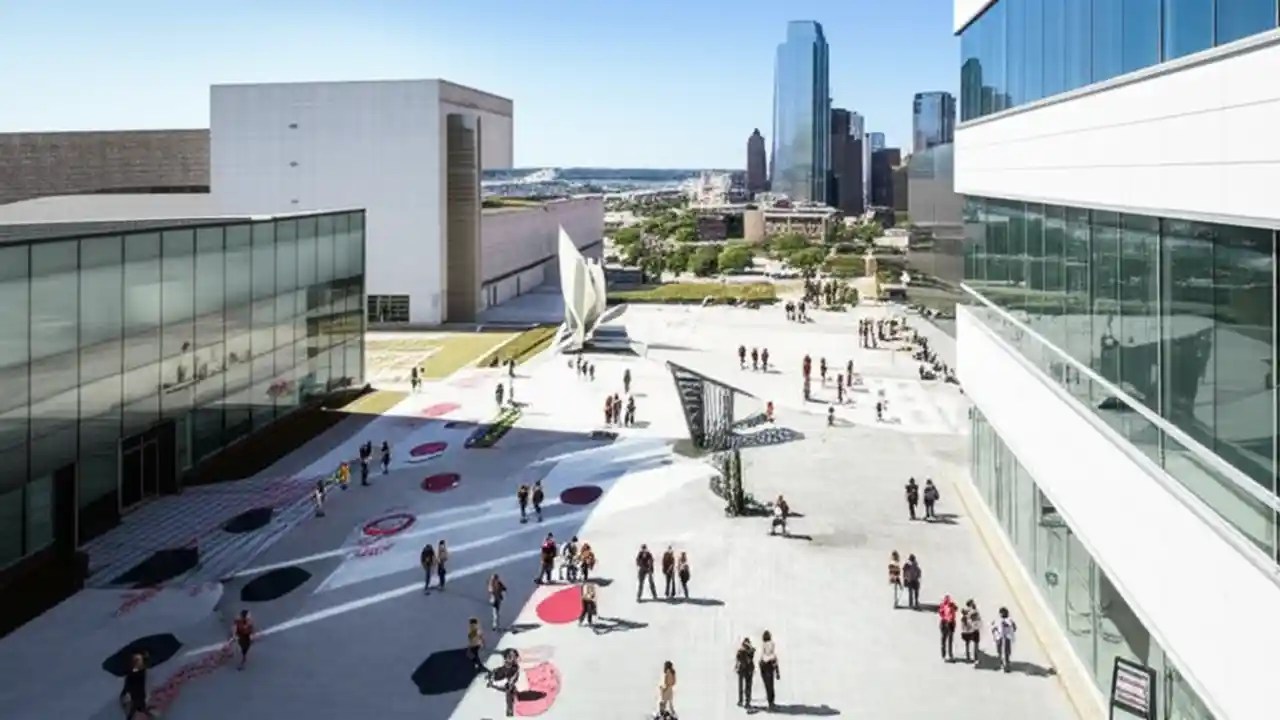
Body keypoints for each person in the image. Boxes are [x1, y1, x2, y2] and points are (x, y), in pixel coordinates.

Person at [120, 653, 152, 719]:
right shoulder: (138, 709)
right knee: (138, 675)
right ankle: (139, 658)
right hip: (137, 691)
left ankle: (136, 658)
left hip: (134, 690)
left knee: (135, 675)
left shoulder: (133, 711)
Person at [759, 631, 780, 711]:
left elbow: (762, 656)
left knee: (768, 686)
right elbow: (774, 657)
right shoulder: (771, 645)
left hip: (765, 665)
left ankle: (770, 702)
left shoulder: (764, 645)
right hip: (769, 665)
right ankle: (771, 702)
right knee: (770, 685)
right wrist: (777, 671)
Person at [992, 607, 1017, 672]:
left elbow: (1014, 628)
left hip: (1006, 638)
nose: (1000, 614)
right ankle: (1002, 663)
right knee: (1000, 651)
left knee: (1006, 652)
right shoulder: (998, 620)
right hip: (999, 637)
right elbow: (994, 627)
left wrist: (1008, 628)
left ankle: (1006, 665)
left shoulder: (1009, 620)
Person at [734, 638, 755, 708]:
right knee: (747, 686)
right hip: (747, 670)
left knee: (743, 686)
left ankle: (742, 701)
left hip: (743, 670)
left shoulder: (746, 651)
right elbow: (738, 660)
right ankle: (746, 702)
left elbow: (737, 660)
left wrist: (736, 667)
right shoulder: (747, 651)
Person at [961, 599, 982, 663]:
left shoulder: (966, 611)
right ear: (970, 604)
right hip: (973, 629)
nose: (974, 604)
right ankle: (975, 658)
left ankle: (968, 657)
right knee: (975, 643)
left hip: (968, 630)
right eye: (972, 603)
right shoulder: (973, 611)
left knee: (968, 643)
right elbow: (978, 619)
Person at [938, 595, 958, 661]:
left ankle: (945, 655)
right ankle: (948, 655)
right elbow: (941, 613)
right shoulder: (947, 606)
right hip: (948, 623)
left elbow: (941, 613)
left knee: (945, 640)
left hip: (946, 623)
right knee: (948, 640)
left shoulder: (945, 605)